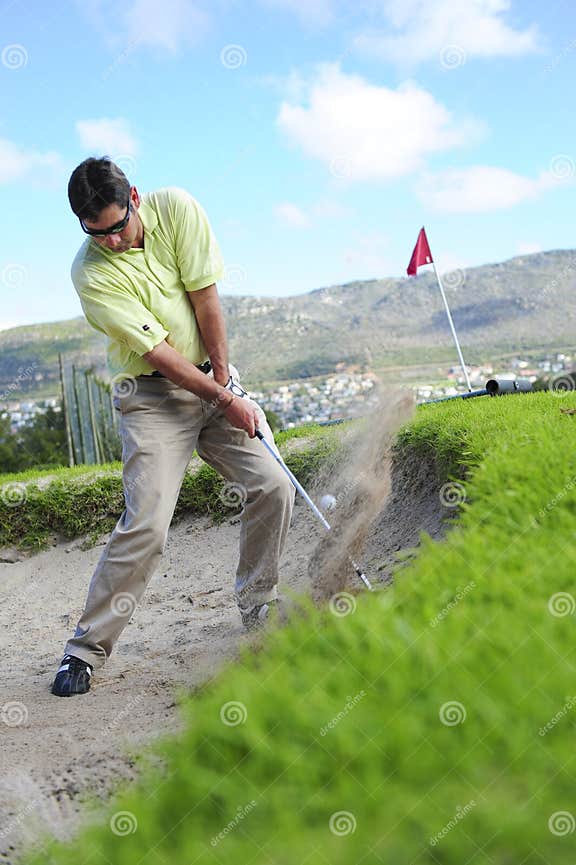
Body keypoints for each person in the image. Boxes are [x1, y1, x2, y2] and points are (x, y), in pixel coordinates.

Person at [51, 157, 294, 697]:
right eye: (96, 233)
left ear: (134, 198)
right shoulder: (90, 272)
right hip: (151, 398)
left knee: (273, 485)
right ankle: (84, 651)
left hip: (214, 377)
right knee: (147, 524)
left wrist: (226, 386)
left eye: (117, 227)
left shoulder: (177, 208)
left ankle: (258, 604)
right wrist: (222, 397)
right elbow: (158, 353)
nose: (111, 242)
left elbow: (206, 301)